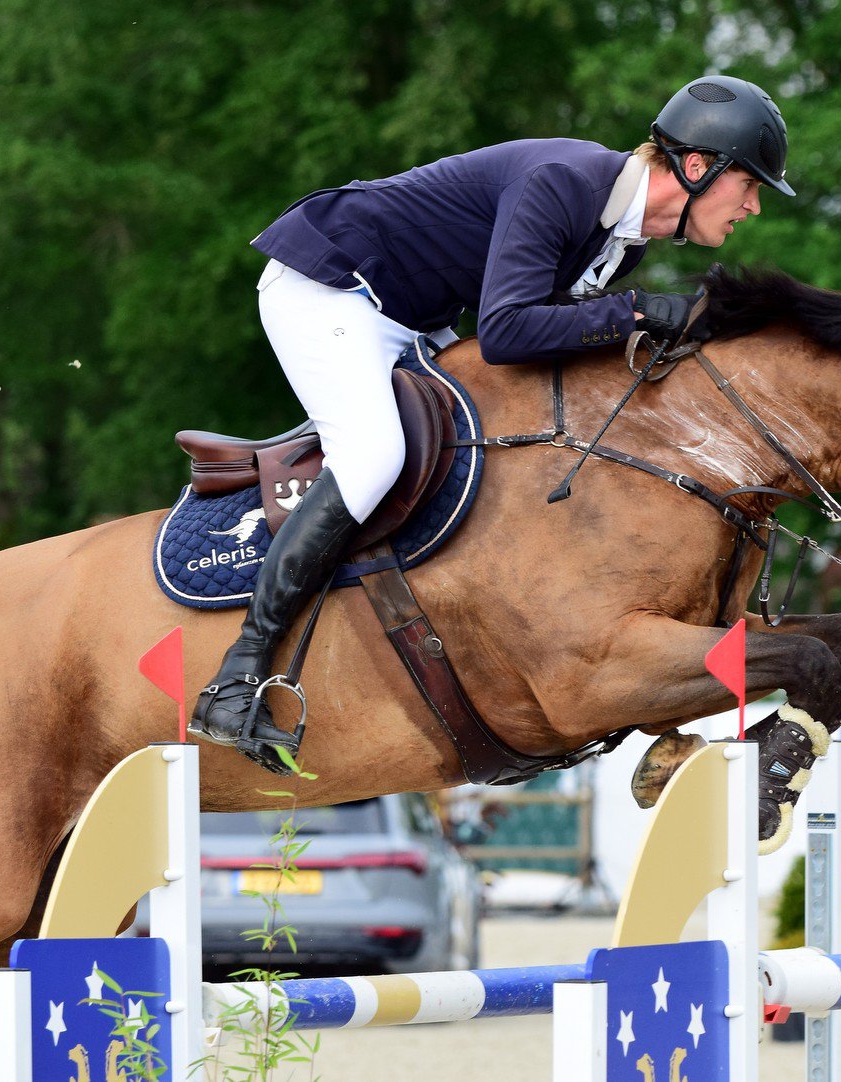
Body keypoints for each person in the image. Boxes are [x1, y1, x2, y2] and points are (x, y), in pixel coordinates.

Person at [192, 76, 794, 772]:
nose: (752, 206)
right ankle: (237, 676)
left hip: (413, 316)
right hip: (332, 287)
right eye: (748, 185)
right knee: (374, 455)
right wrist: (631, 312)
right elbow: (507, 331)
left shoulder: (621, 241)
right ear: (697, 168)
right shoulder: (567, 183)